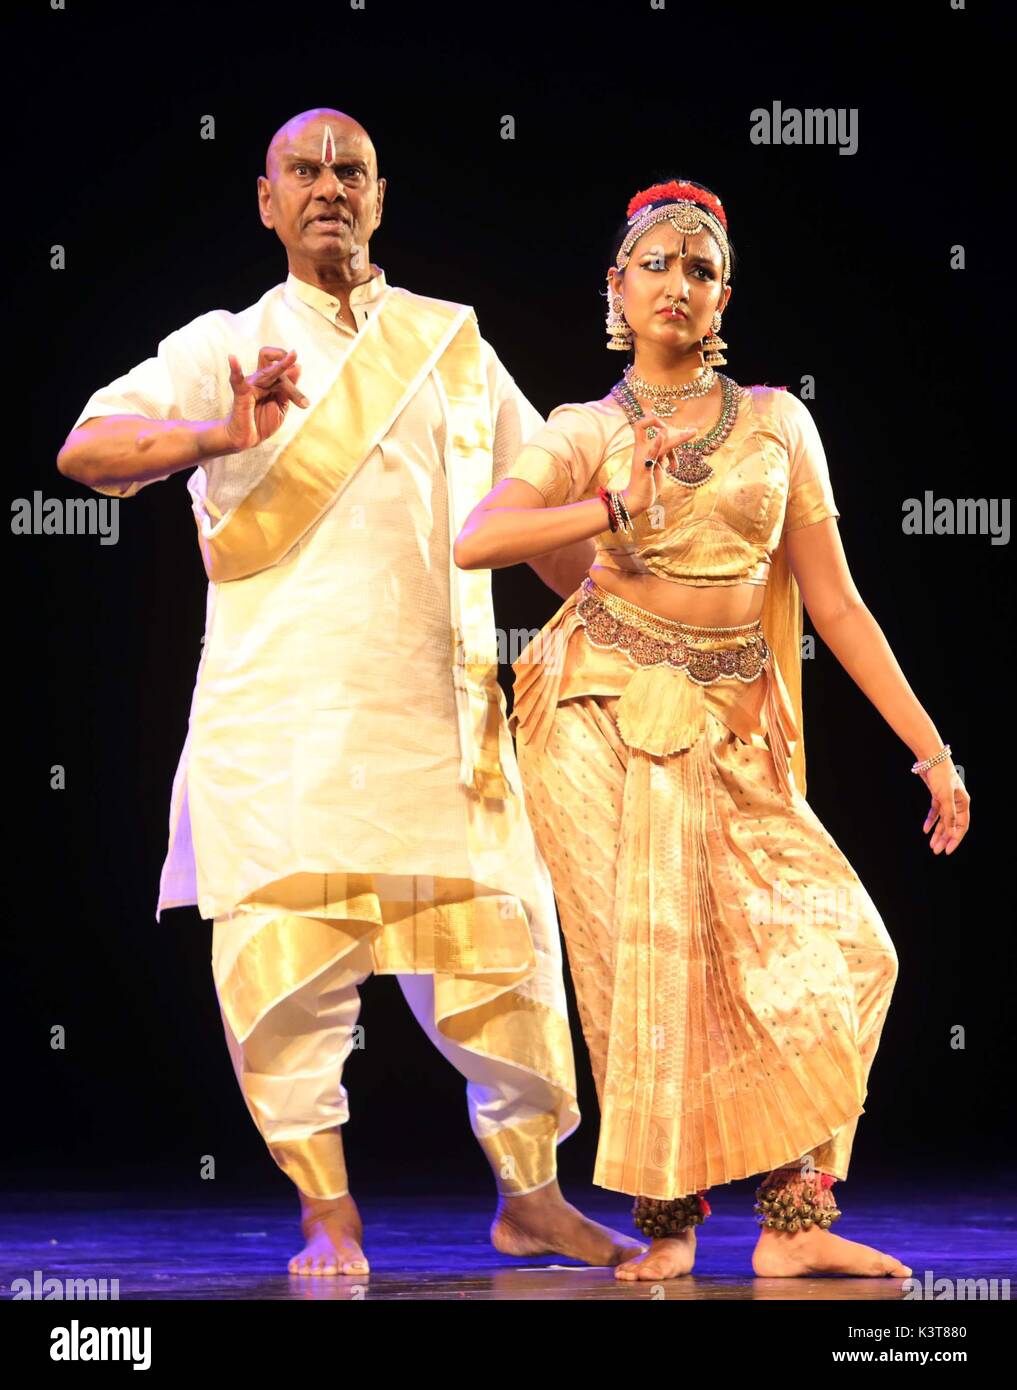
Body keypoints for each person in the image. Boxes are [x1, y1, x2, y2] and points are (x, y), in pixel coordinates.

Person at [56, 107, 645, 1277]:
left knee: (505, 950)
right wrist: (217, 429)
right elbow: (87, 450)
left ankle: (533, 1198)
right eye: (305, 170)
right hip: (285, 728)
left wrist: (643, 633)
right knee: (285, 965)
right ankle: (329, 1211)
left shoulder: (451, 345)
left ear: (379, 198)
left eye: (352, 170)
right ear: (267, 201)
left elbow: (535, 526)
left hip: (441, 717)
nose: (330, 185)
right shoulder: (225, 342)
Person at [454, 177, 971, 1281]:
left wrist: (931, 750)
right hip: (598, 712)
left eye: (700, 268)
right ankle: (671, 1225)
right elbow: (478, 540)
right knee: (650, 967)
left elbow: (835, 602)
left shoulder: (780, 422)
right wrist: (605, 510)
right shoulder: (586, 429)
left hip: (733, 722)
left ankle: (793, 1226)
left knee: (846, 950)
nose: (677, 284)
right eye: (656, 263)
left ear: (723, 294)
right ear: (617, 288)